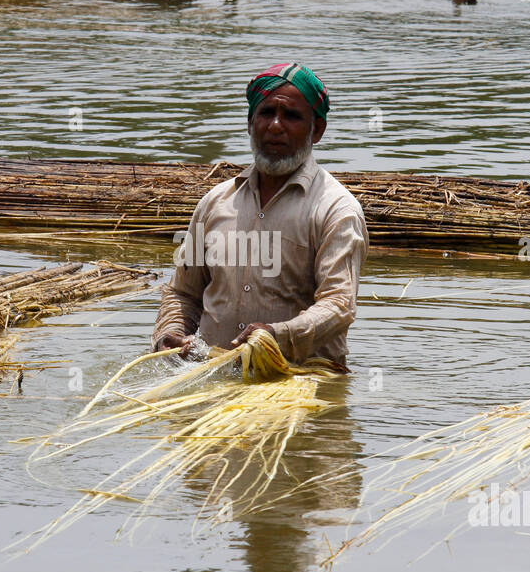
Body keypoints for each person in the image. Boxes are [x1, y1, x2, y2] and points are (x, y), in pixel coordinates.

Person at [151, 63, 368, 369]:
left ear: (316, 129)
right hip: (213, 375)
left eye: (291, 116)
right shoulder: (215, 203)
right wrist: (171, 333)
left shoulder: (335, 209)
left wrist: (275, 336)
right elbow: (183, 292)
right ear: (250, 123)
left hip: (298, 382)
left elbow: (339, 305)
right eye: (266, 113)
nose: (275, 126)